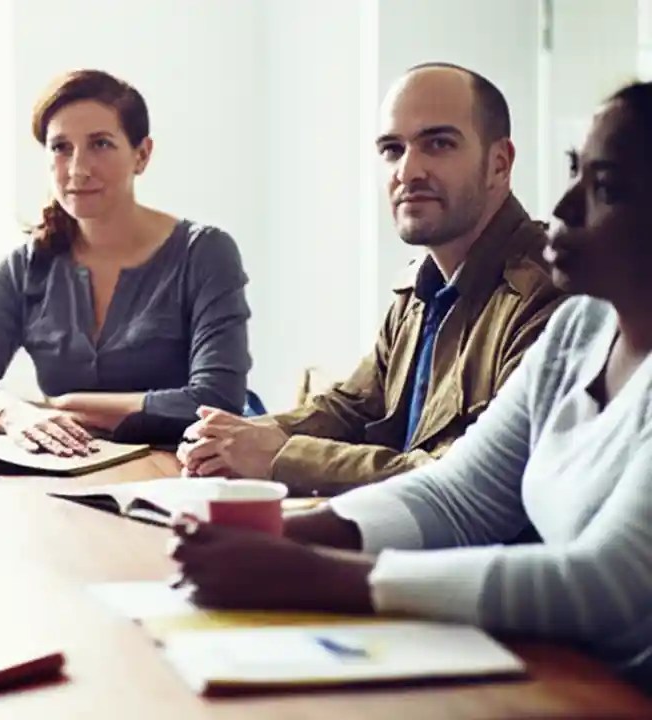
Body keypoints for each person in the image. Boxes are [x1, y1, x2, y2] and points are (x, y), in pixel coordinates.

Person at [172, 81, 652, 691]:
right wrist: (276, 535)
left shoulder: (538, 295)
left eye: (605, 188)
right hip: (547, 668)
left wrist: (317, 573)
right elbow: (459, 495)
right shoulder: (578, 329)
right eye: (573, 172)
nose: (562, 206)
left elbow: (602, 588)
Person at [179, 63, 563, 495]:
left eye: (438, 144)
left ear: (499, 164)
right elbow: (351, 408)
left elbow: (477, 484)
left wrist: (278, 456)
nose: (408, 171)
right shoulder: (421, 286)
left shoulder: (550, 293)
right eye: (393, 149)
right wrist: (235, 436)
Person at [0, 69, 251, 456]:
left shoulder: (205, 252)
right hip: (64, 475)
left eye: (100, 144)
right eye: (61, 147)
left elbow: (218, 401)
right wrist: (12, 412)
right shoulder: (24, 267)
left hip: (178, 474)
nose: (77, 168)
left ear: (142, 154)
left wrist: (60, 406)